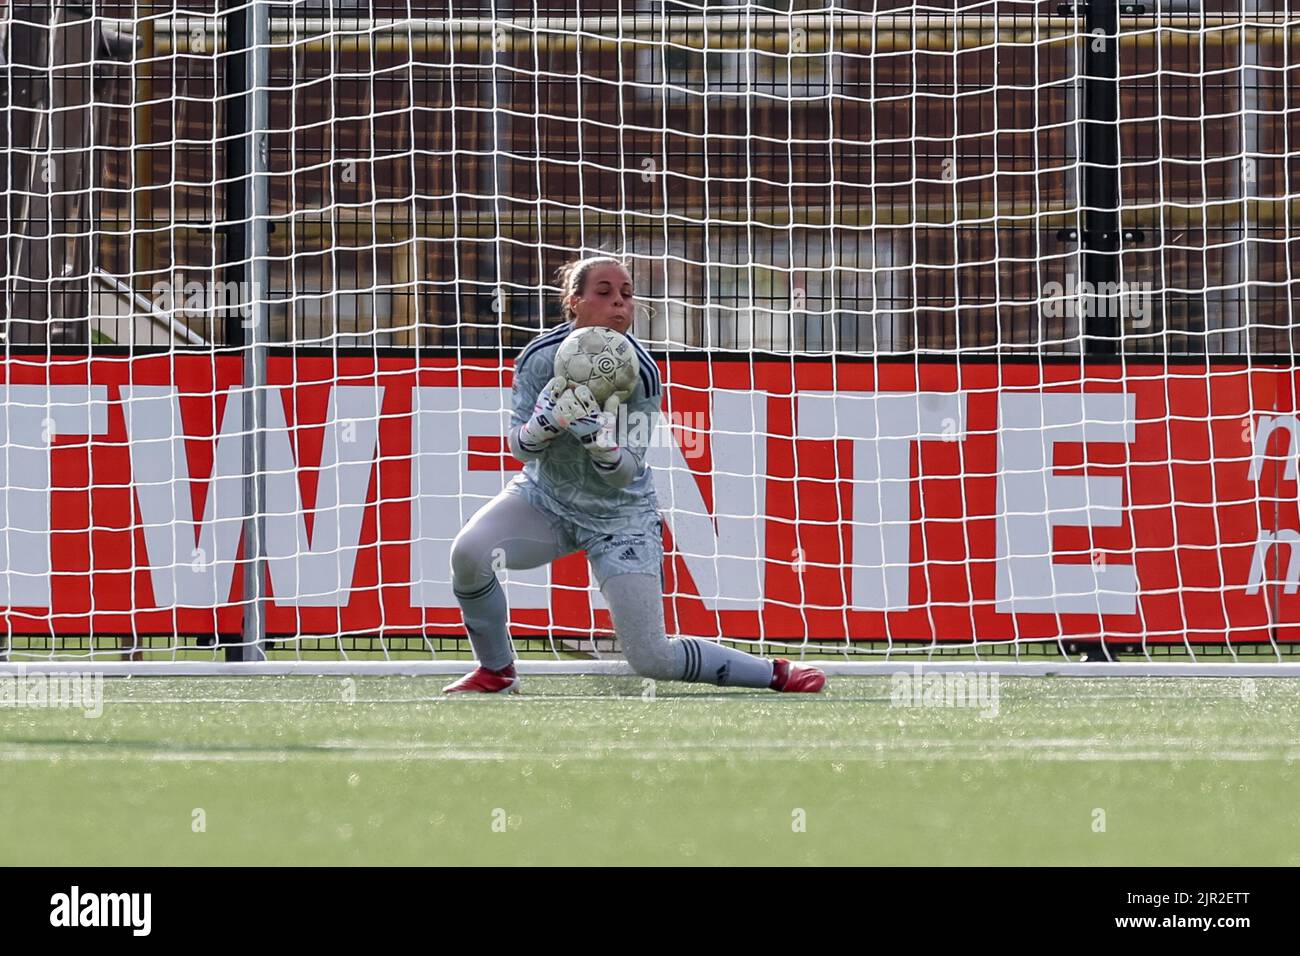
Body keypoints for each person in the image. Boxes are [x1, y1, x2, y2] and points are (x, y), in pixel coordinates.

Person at [444, 255, 826, 694]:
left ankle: (775, 673)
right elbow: (519, 448)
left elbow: (625, 474)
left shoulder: (642, 374)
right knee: (469, 555)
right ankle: (497, 671)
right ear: (574, 302)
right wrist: (541, 426)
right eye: (604, 293)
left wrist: (597, 441)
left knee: (652, 657)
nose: (619, 304)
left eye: (626, 294)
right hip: (544, 499)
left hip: (619, 520)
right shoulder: (539, 357)